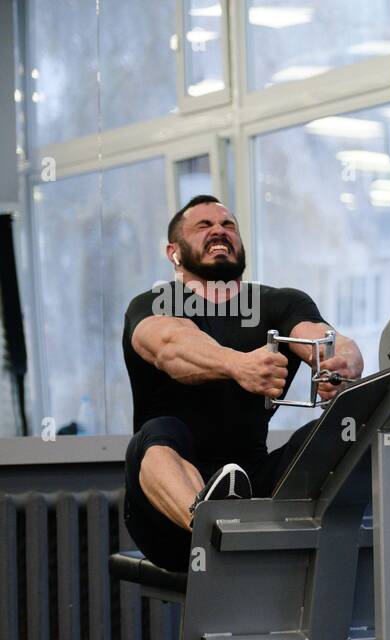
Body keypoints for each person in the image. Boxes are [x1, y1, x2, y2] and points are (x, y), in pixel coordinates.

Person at [121, 194, 364, 572]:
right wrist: (238, 365)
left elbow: (327, 340)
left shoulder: (280, 303)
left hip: (249, 486)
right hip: (165, 520)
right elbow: (172, 346)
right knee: (158, 432)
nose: (219, 230)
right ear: (174, 252)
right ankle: (208, 527)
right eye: (203, 226)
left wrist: (341, 365)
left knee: (330, 431)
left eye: (228, 225)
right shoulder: (154, 303)